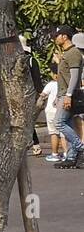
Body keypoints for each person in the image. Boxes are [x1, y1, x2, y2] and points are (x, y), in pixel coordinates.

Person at [48, 25, 82, 168]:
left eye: (57, 36)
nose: (55, 39)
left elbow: (74, 77)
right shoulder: (66, 53)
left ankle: (80, 147)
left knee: (58, 123)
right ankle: (72, 156)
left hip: (69, 95)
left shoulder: (73, 53)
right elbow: (62, 77)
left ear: (65, 36)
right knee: (67, 124)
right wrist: (58, 96)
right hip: (63, 94)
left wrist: (68, 95)